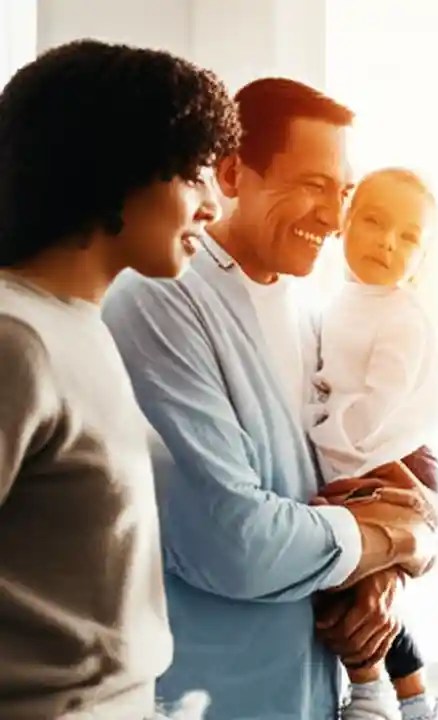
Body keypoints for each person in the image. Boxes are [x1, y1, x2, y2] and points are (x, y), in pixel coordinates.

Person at [102, 78, 438, 720]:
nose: (334, 217)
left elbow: (366, 477)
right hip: (200, 698)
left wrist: (392, 569)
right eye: (312, 185)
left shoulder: (313, 317)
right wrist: (397, 539)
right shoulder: (160, 301)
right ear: (232, 174)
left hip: (307, 697)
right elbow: (236, 542)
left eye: (343, 193)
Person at [0, 39, 237, 719]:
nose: (212, 208)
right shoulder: (15, 339)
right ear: (116, 169)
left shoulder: (79, 329)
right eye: (194, 174)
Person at [307, 167, 438, 720]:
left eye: (409, 236)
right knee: (355, 582)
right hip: (371, 454)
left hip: (395, 458)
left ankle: (372, 692)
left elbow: (378, 403)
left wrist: (321, 428)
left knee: (344, 569)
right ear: (344, 220)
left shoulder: (402, 316)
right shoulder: (343, 299)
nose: (388, 242)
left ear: (424, 254)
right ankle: (413, 699)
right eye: (373, 221)